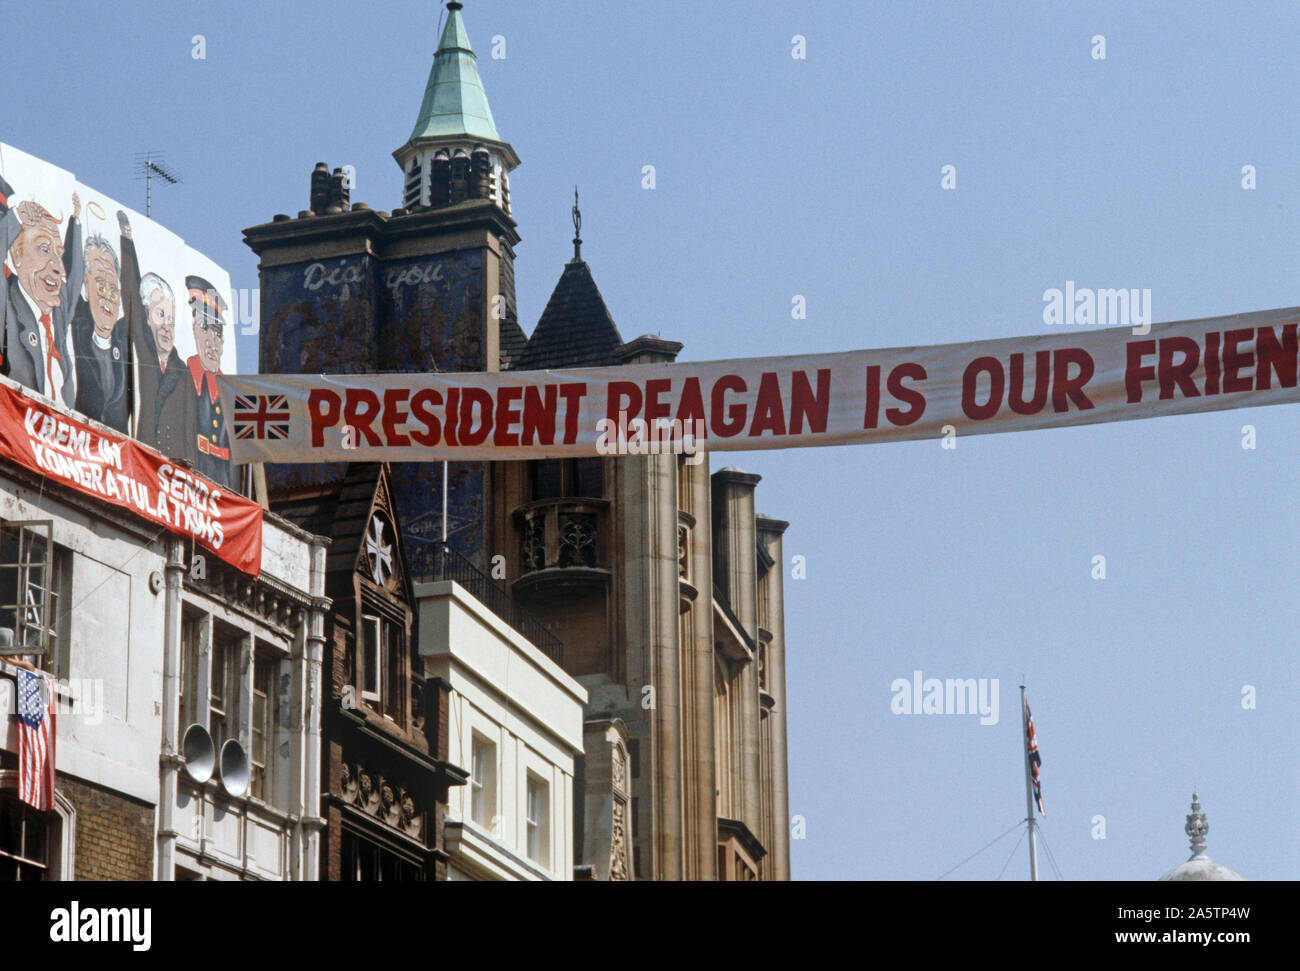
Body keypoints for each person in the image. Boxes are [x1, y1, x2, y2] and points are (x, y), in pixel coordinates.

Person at [0, 176, 81, 407]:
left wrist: (76, 222)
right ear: (16, 256)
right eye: (45, 249)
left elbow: (74, 276)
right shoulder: (9, 304)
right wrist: (15, 219)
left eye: (58, 253)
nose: (58, 267)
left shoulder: (58, 312)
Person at [157, 275, 231, 487]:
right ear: (194, 331)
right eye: (205, 329)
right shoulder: (179, 376)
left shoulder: (229, 394)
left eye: (217, 333)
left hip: (222, 494)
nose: (212, 342)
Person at [118, 211, 180, 446]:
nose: (167, 327)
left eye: (171, 320)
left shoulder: (181, 372)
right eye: (160, 315)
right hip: (145, 459)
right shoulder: (147, 354)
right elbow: (131, 294)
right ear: (147, 318)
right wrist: (127, 241)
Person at [71, 232, 130, 431]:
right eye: (100, 285)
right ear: (86, 286)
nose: (108, 296)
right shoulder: (76, 321)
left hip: (117, 457)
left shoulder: (124, 338)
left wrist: (127, 240)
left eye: (113, 288)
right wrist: (75, 222)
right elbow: (69, 273)